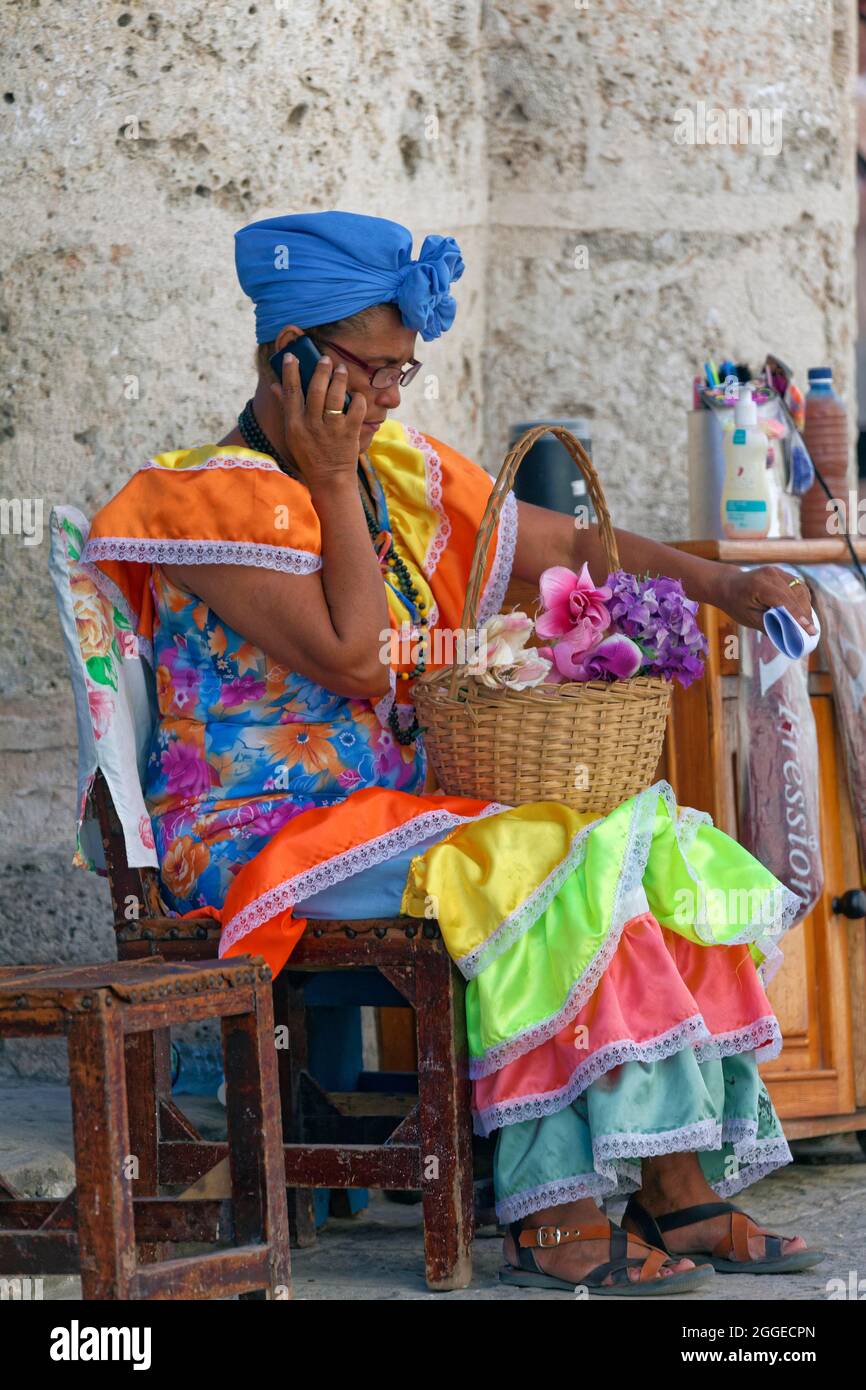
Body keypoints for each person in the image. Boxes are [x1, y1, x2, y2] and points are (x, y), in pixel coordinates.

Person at [83, 211, 824, 1294]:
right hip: (261, 838)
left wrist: (723, 585)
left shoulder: (393, 470)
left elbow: (561, 544)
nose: (389, 395)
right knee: (546, 860)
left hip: (390, 819)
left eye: (400, 370)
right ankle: (548, 1206)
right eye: (367, 369)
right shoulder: (202, 496)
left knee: (637, 839)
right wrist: (333, 479)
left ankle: (681, 1185)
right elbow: (352, 661)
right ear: (286, 356)